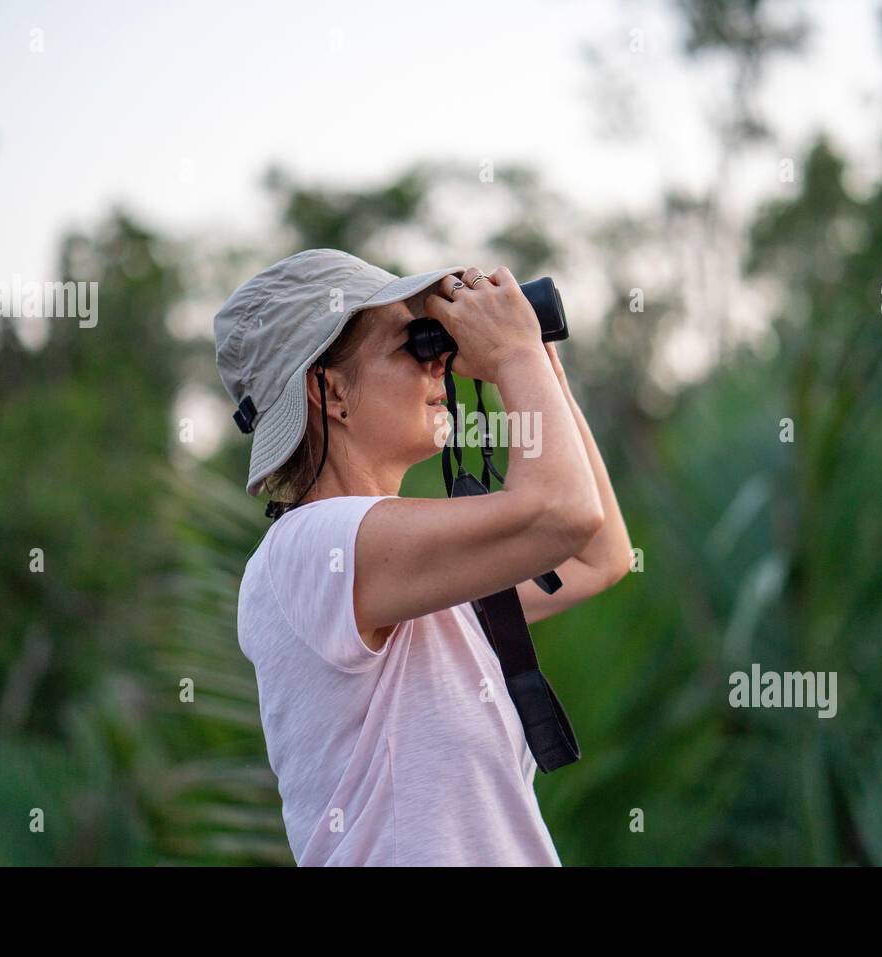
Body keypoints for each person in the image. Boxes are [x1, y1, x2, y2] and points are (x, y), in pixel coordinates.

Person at [213, 249, 631, 865]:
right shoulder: (315, 547)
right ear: (330, 391)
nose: (440, 360)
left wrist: (538, 359)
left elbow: (599, 556)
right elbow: (563, 513)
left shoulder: (411, 575)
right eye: (412, 344)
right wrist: (512, 354)